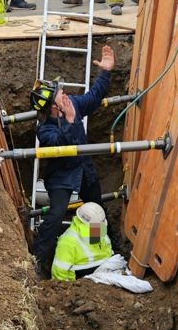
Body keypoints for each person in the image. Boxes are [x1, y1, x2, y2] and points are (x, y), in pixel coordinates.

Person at [30, 44, 115, 277]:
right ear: (53, 107)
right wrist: (69, 121)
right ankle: (38, 258)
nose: (65, 93)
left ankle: (99, 249)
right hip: (61, 177)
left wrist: (105, 72)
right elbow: (60, 145)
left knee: (96, 209)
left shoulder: (74, 104)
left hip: (84, 170)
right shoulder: (44, 130)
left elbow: (94, 97)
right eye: (60, 93)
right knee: (56, 216)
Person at [51, 202, 114, 281]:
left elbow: (108, 253)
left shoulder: (100, 230)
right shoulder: (68, 241)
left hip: (105, 272)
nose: (99, 230)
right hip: (81, 281)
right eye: (96, 227)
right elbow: (59, 272)